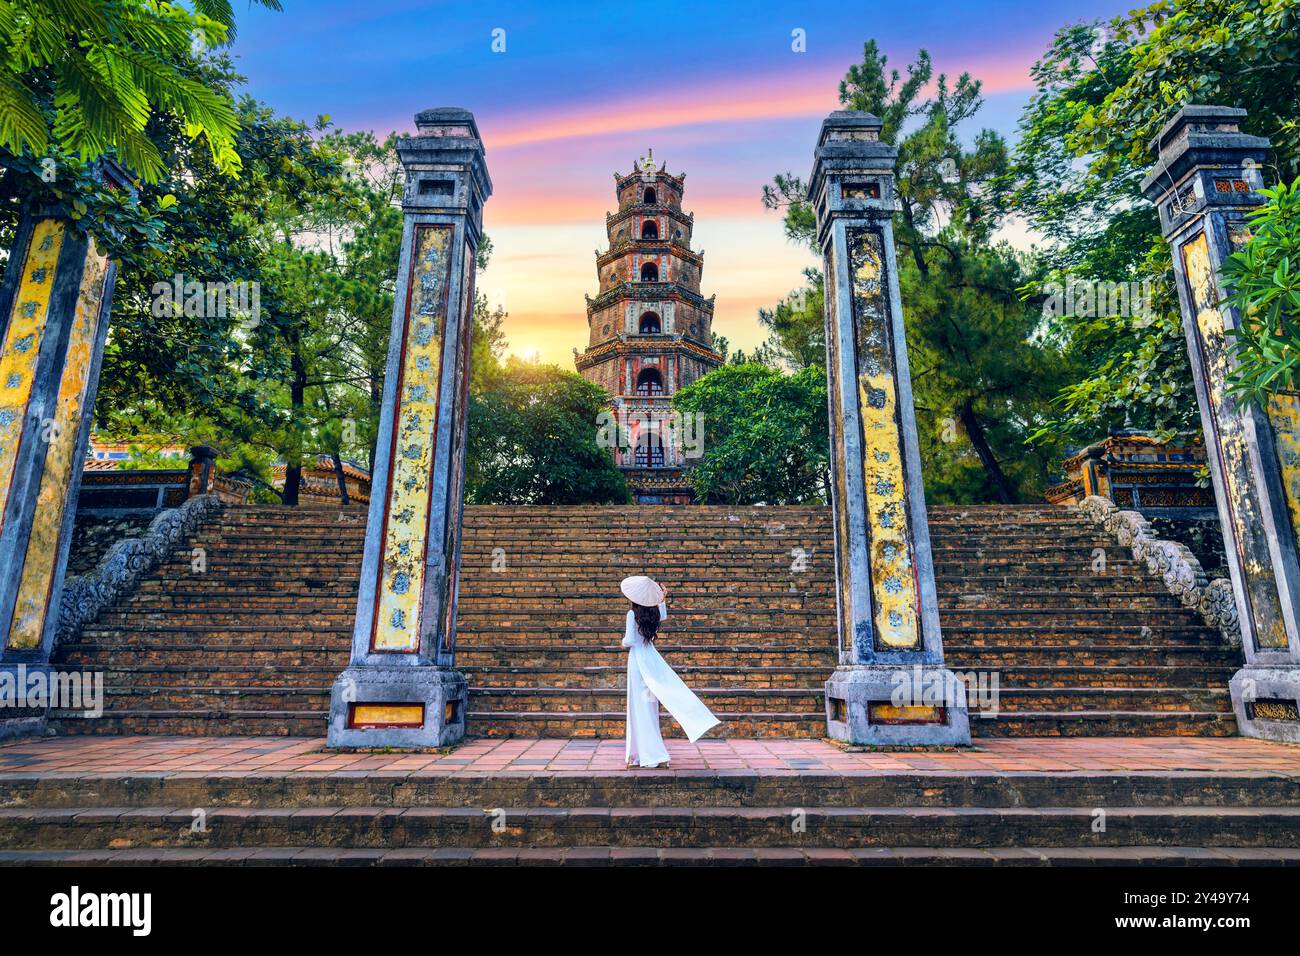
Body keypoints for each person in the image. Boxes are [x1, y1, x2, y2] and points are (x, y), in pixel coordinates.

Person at [620, 575, 720, 768]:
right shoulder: (652, 613)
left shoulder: (632, 614)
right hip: (651, 660)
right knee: (649, 706)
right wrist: (662, 600)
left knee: (638, 707)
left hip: (637, 663)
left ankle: (648, 755)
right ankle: (649, 754)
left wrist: (621, 642)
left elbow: (630, 641)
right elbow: (662, 616)